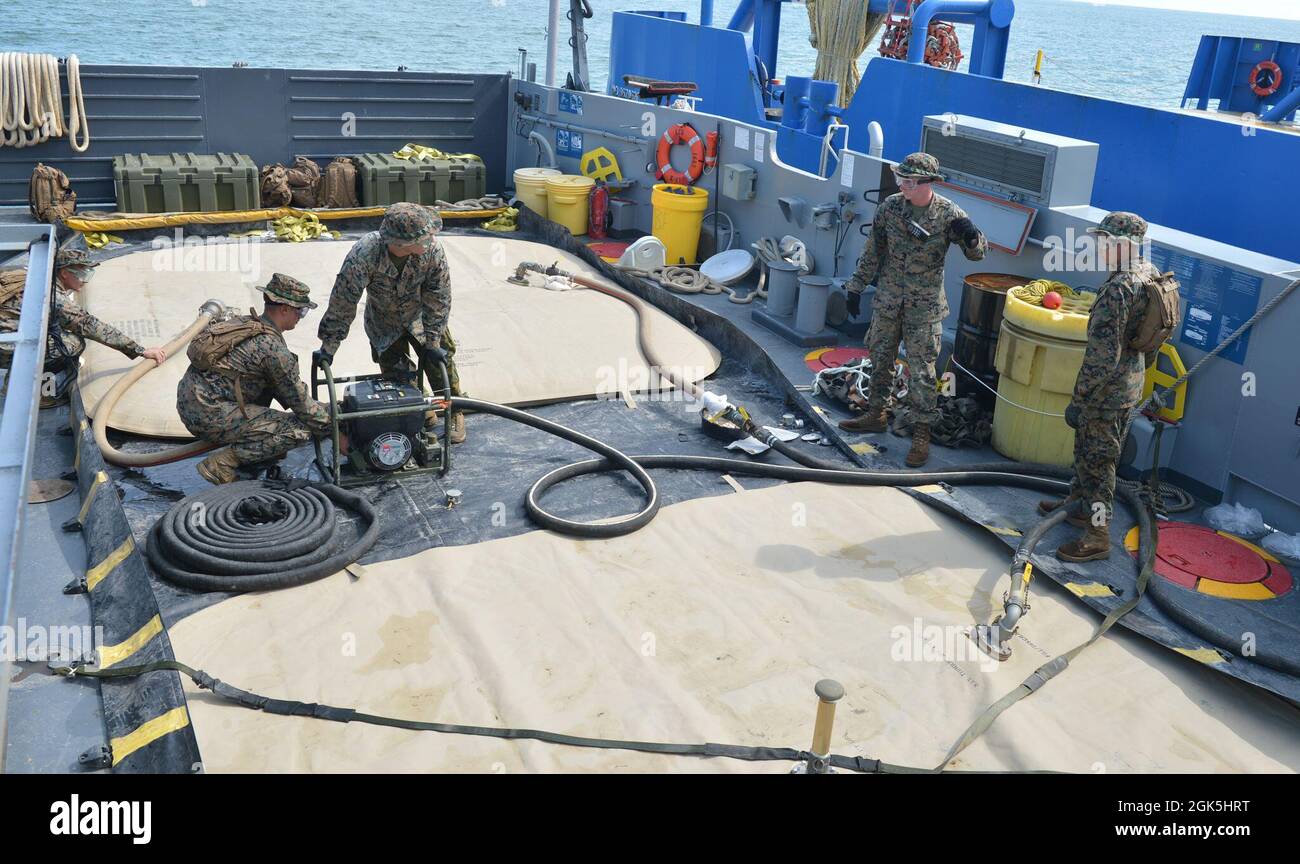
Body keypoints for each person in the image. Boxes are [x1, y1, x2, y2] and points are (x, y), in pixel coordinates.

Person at [837, 152, 987, 467]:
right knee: (880, 357)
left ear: (926, 183)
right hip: (889, 301)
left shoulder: (948, 214)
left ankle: (921, 434)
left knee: (922, 373)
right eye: (901, 180)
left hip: (925, 310)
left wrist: (972, 237)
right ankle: (876, 413)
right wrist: (856, 287)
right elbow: (873, 252)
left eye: (908, 181)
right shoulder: (890, 208)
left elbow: (978, 256)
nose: (902, 186)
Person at [1039, 212, 1162, 562]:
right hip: (1130, 384)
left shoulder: (1118, 288)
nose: (1099, 246)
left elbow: (1103, 357)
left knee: (1099, 464)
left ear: (1122, 244)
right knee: (1091, 454)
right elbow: (1153, 338)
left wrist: (1081, 399)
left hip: (1105, 393)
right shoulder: (1149, 275)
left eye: (1103, 240)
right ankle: (1077, 505)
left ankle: (1097, 533)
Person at [315, 201, 466, 443]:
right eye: (424, 239)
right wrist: (329, 346)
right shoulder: (364, 255)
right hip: (383, 321)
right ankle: (420, 405)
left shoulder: (432, 252)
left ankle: (454, 408)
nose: (430, 241)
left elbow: (439, 296)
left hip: (421, 317)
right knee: (397, 375)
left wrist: (434, 338)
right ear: (402, 244)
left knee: (440, 366)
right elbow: (343, 301)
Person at [177, 273, 332, 485]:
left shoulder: (247, 323)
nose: (301, 317)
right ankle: (223, 463)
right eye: (301, 311)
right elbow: (300, 403)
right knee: (300, 429)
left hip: (193, 402)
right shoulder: (272, 350)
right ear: (285, 309)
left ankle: (254, 448)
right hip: (209, 414)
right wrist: (332, 426)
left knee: (283, 412)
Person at [0, 248, 167, 407]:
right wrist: (139, 350)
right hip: (5, 345)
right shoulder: (53, 297)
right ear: (64, 273)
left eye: (89, 274)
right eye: (82, 274)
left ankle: (13, 383)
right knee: (71, 343)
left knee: (51, 334)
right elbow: (91, 326)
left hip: (7, 336)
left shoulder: (34, 276)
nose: (85, 280)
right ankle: (34, 394)